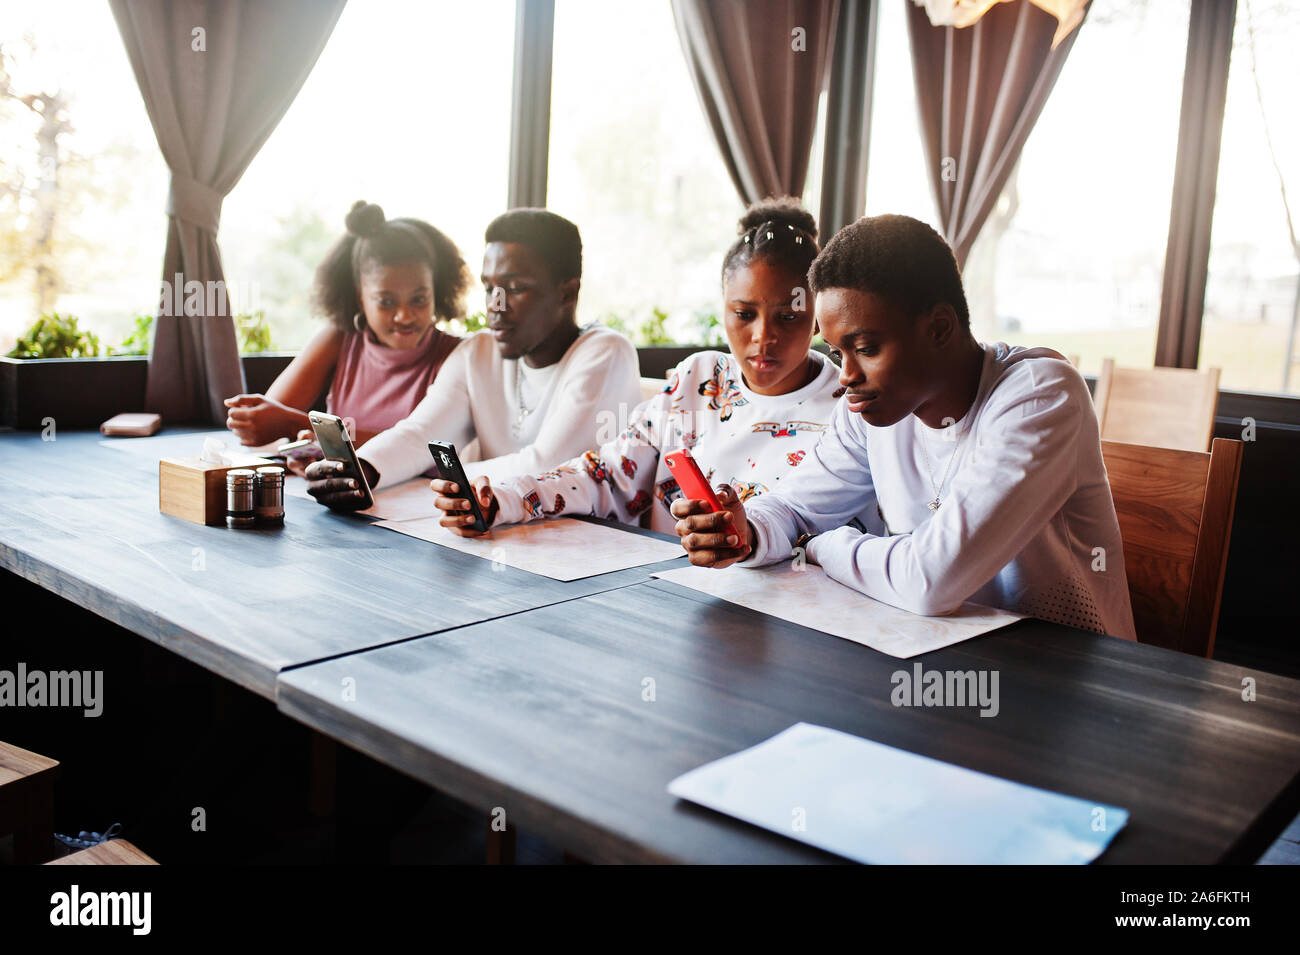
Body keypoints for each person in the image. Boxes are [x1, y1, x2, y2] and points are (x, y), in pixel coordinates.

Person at [671, 213, 1137, 641]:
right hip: (937, 658)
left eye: (867, 347)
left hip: (1070, 683)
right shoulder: (872, 409)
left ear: (937, 328)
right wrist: (745, 532)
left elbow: (930, 580)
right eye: (837, 353)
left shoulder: (1039, 395)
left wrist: (824, 546)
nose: (847, 375)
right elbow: (794, 508)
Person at [430, 197, 877, 538]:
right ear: (722, 309)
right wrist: (501, 502)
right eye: (744, 314)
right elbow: (604, 475)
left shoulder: (851, 408)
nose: (763, 337)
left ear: (817, 315)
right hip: (662, 601)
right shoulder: (699, 380)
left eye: (788, 315)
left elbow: (846, 534)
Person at [306, 208, 641, 509]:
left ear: (566, 293)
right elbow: (420, 434)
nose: (495, 305)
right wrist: (360, 469)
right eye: (489, 288)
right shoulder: (478, 353)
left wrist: (441, 478)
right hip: (510, 536)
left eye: (515, 288)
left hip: (599, 552)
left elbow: (549, 465)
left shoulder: (606, 352)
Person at [223, 200, 470, 448]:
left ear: (436, 293)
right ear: (360, 297)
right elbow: (268, 421)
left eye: (419, 299)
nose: (404, 316)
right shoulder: (340, 339)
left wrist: (302, 427)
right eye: (386, 302)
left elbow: (420, 448)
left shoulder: (457, 356)